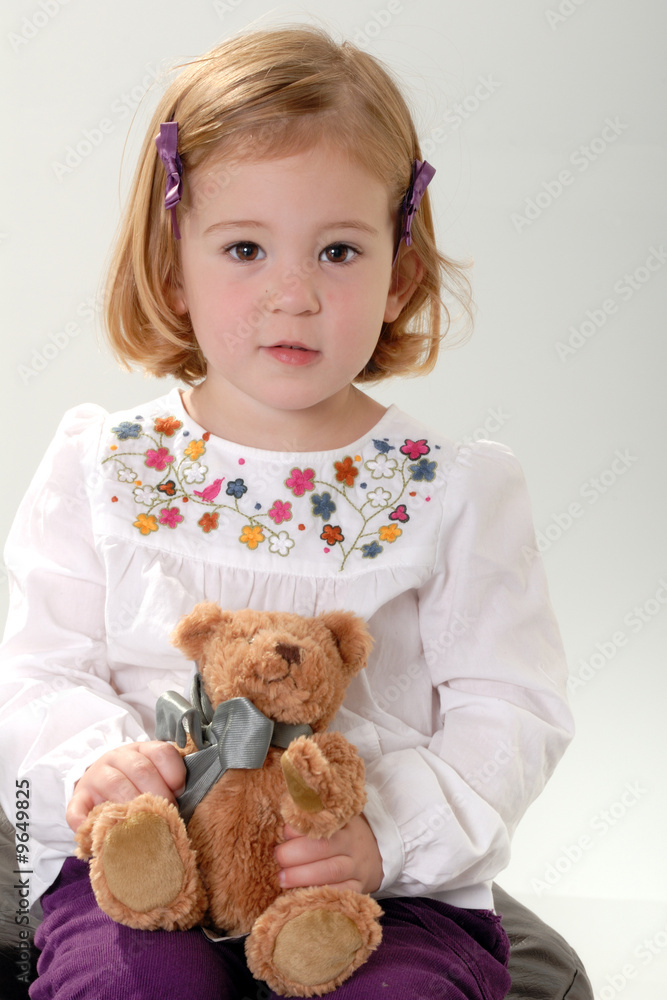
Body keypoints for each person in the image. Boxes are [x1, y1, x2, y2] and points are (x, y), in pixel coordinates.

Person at [0, 24, 574, 1000]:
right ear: (172, 266)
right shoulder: (103, 461)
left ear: (399, 270)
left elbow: (508, 710)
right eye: (245, 248)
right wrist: (99, 769)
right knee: (132, 986)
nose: (294, 293)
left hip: (382, 894)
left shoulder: (452, 487)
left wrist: (383, 837)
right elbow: (35, 667)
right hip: (146, 876)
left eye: (339, 250)